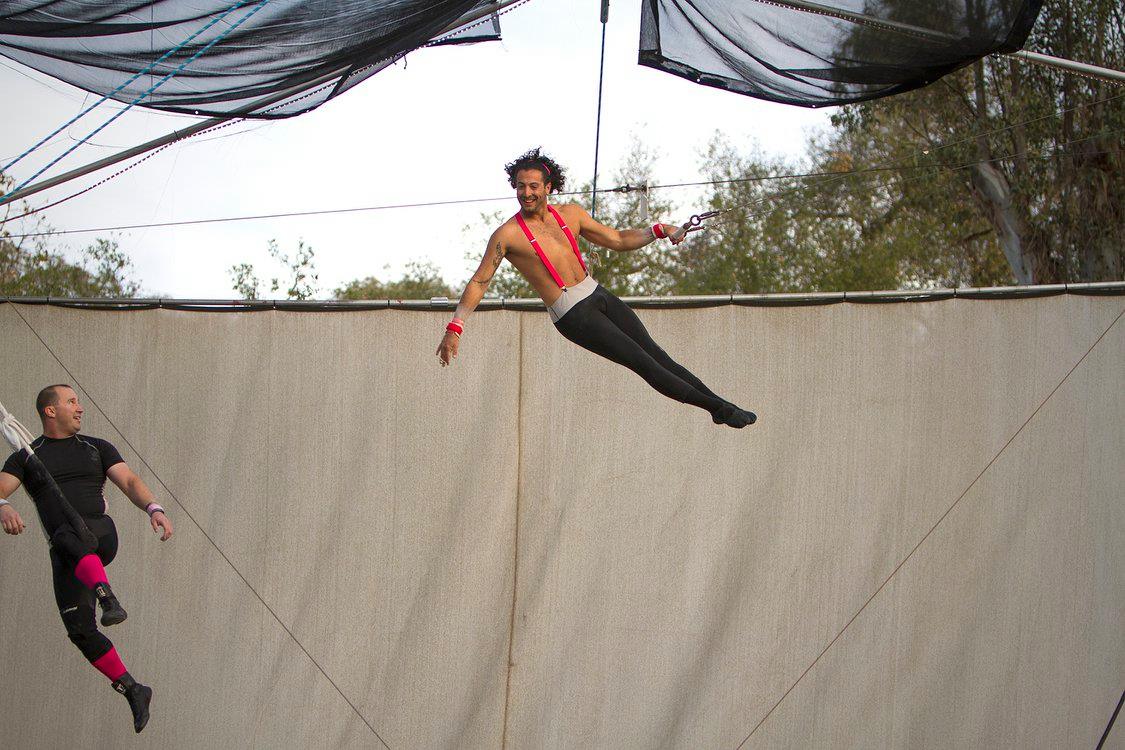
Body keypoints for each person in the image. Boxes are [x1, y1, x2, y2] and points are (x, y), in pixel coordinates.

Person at [436, 148, 756, 427]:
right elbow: (480, 280)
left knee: (658, 355)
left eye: (534, 186)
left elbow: (617, 239)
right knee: (642, 362)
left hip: (597, 293)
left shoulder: (571, 215)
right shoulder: (507, 235)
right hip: (572, 315)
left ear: (549, 187)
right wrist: (456, 327)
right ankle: (718, 408)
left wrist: (659, 230)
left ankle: (719, 405)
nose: (526, 193)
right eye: (520, 186)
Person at [0, 385, 173, 734]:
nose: (80, 408)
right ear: (50, 411)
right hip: (67, 553)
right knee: (79, 629)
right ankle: (133, 688)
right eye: (71, 402)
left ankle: (108, 598)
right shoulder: (27, 457)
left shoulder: (97, 448)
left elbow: (128, 480)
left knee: (67, 533)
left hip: (99, 536)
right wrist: (3, 507)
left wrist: (154, 508)